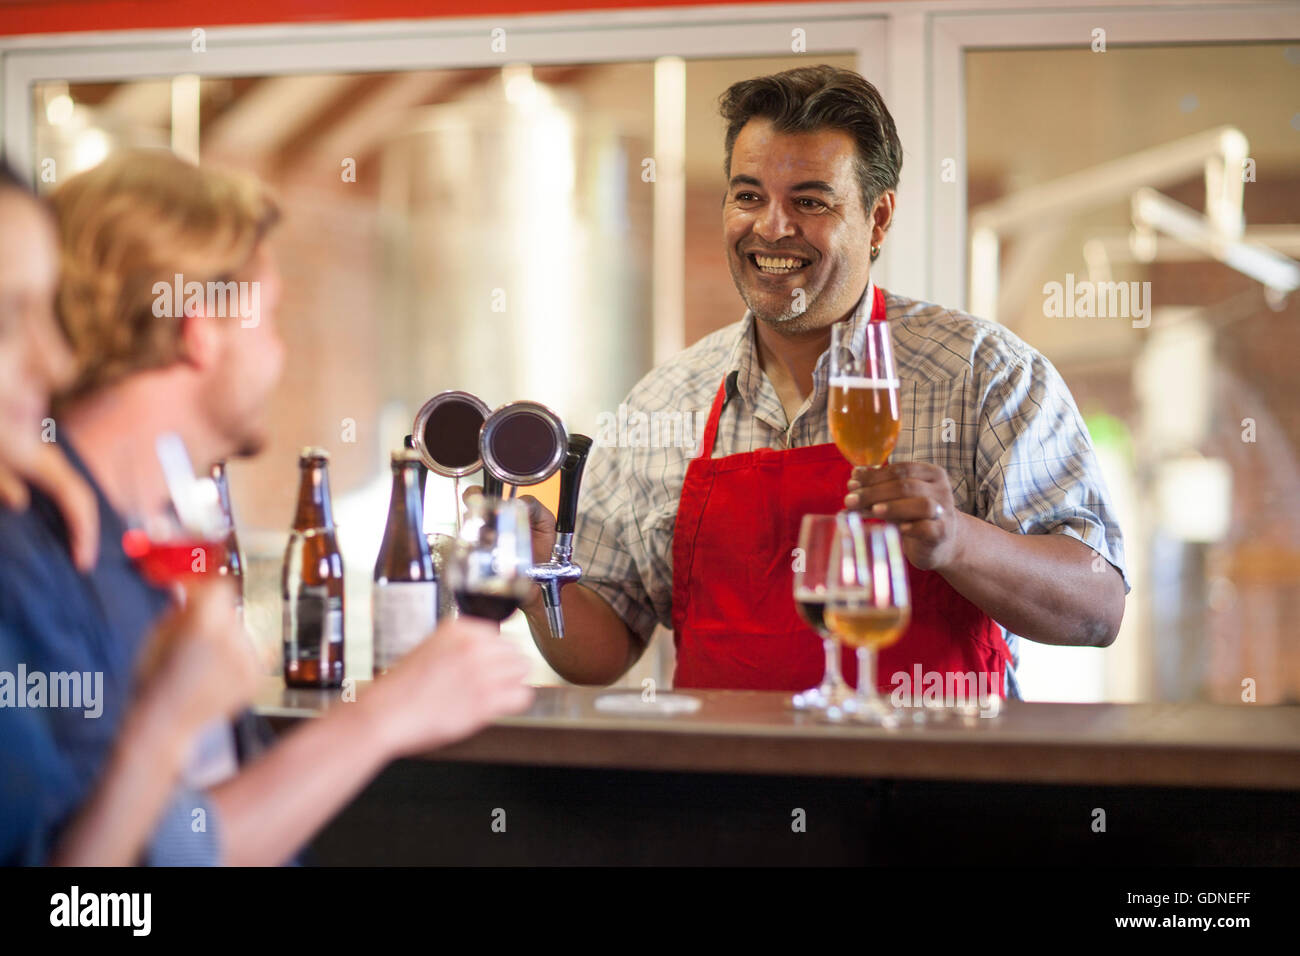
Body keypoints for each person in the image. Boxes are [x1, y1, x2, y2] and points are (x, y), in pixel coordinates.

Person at [507, 65, 1129, 696]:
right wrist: (536, 584)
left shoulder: (985, 372)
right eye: (748, 196)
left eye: (809, 201)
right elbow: (604, 648)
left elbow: (1097, 610)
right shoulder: (667, 399)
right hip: (725, 783)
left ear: (878, 218)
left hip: (934, 784)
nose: (772, 227)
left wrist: (959, 540)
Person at [0, 149, 534, 866]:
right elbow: (102, 882)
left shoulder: (153, 526)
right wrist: (387, 714)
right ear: (201, 329)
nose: (280, 355)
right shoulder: (37, 552)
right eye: (271, 317)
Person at [0, 158, 262, 865]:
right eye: (7, 318)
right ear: (198, 326)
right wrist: (164, 730)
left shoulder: (94, 514)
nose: (55, 362)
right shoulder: (35, 549)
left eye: (48, 311)